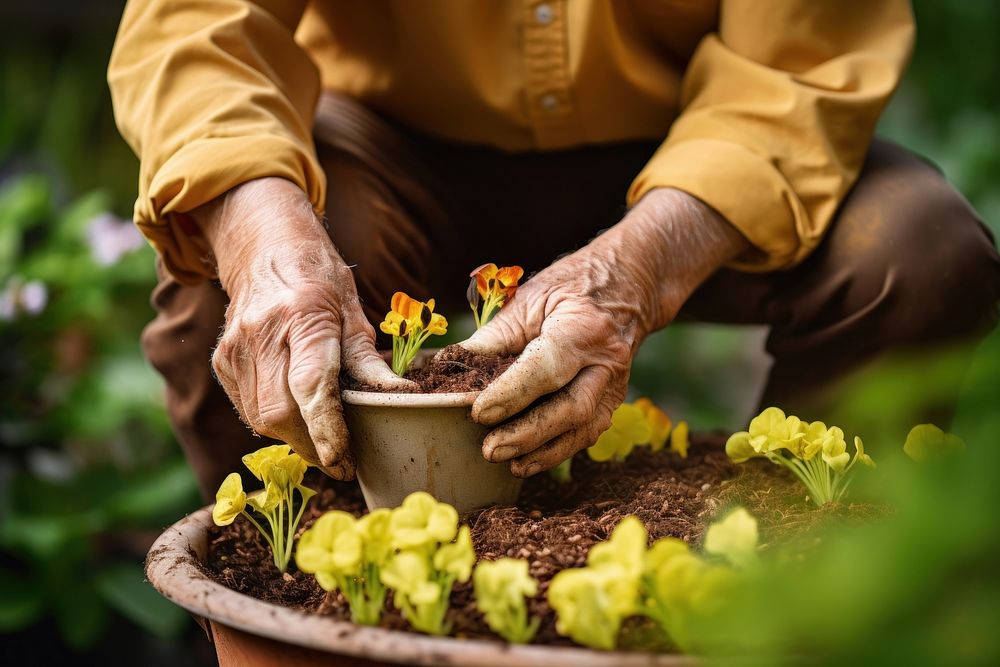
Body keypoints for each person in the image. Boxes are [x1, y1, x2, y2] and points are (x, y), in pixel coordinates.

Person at [109, 1, 1000, 498]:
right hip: (392, 138)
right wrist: (268, 241)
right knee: (233, 297)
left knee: (915, 253)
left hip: (688, 143)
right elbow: (196, 26)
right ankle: (319, 598)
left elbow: (802, 62)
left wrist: (640, 266)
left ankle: (782, 593)